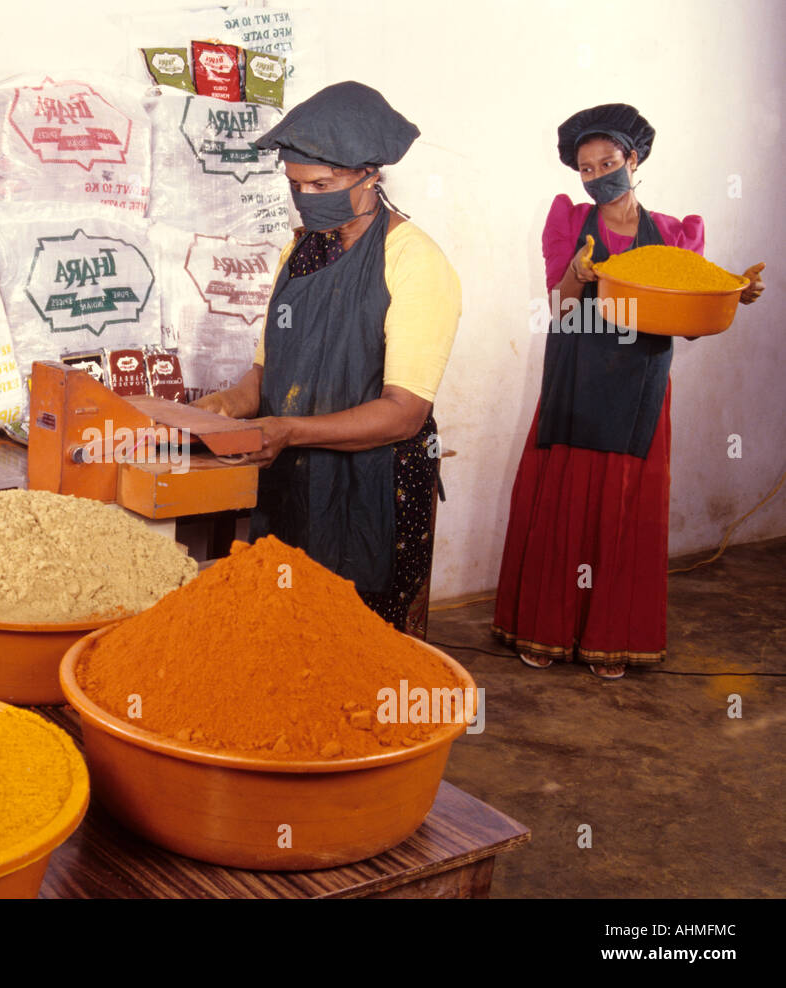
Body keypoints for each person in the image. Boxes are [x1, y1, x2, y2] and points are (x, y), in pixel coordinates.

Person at [492, 103, 766, 679]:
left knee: (623, 505)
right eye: (586, 169)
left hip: (639, 385)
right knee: (567, 498)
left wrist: (730, 295)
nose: (596, 176)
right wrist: (579, 274)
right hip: (576, 377)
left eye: (607, 162)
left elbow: (687, 322)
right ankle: (546, 627)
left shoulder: (669, 234)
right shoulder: (570, 224)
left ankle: (608, 636)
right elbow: (561, 309)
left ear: (632, 159)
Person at [192, 81, 462, 630]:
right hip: (292, 485)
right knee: (285, 637)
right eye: (297, 185)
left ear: (371, 176)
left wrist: (287, 430)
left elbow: (404, 411)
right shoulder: (299, 252)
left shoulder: (415, 262)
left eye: (322, 184)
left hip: (374, 491)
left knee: (358, 648)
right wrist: (222, 407)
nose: (308, 198)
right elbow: (265, 375)